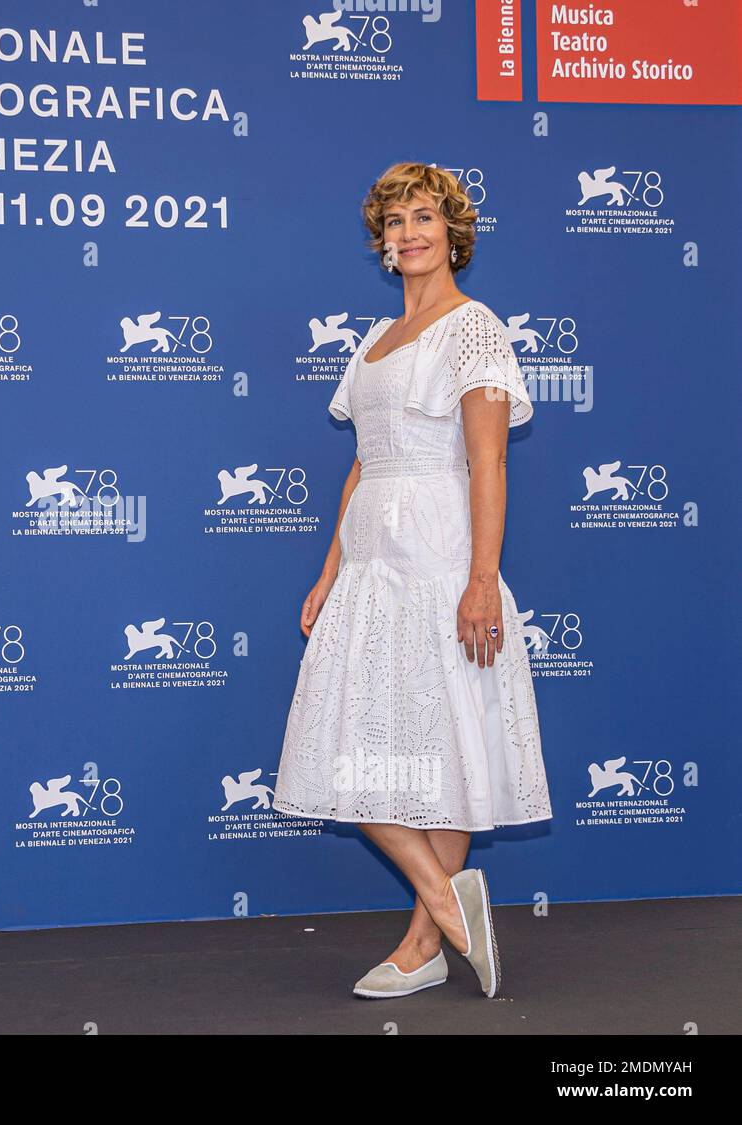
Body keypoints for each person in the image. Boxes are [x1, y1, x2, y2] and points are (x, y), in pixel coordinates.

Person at [271, 162, 553, 1000]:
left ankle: (427, 942)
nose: (409, 233)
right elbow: (362, 463)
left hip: (440, 557)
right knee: (351, 751)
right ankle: (453, 912)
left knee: (448, 748)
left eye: (424, 216)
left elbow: (488, 460)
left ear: (452, 229)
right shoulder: (374, 340)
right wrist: (329, 570)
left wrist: (480, 580)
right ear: (381, 243)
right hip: (370, 566)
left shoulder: (475, 329)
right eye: (394, 222)